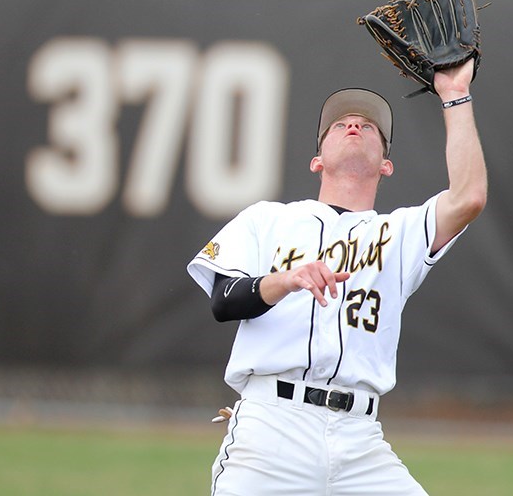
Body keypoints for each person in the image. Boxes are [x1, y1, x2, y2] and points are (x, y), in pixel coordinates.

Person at [186, 58, 487, 495]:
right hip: (272, 429)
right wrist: (286, 279)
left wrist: (454, 93)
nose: (354, 127)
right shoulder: (267, 220)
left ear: (386, 164)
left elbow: (469, 197)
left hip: (360, 438)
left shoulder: (399, 234)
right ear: (316, 160)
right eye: (340, 124)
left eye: (368, 127)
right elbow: (224, 300)